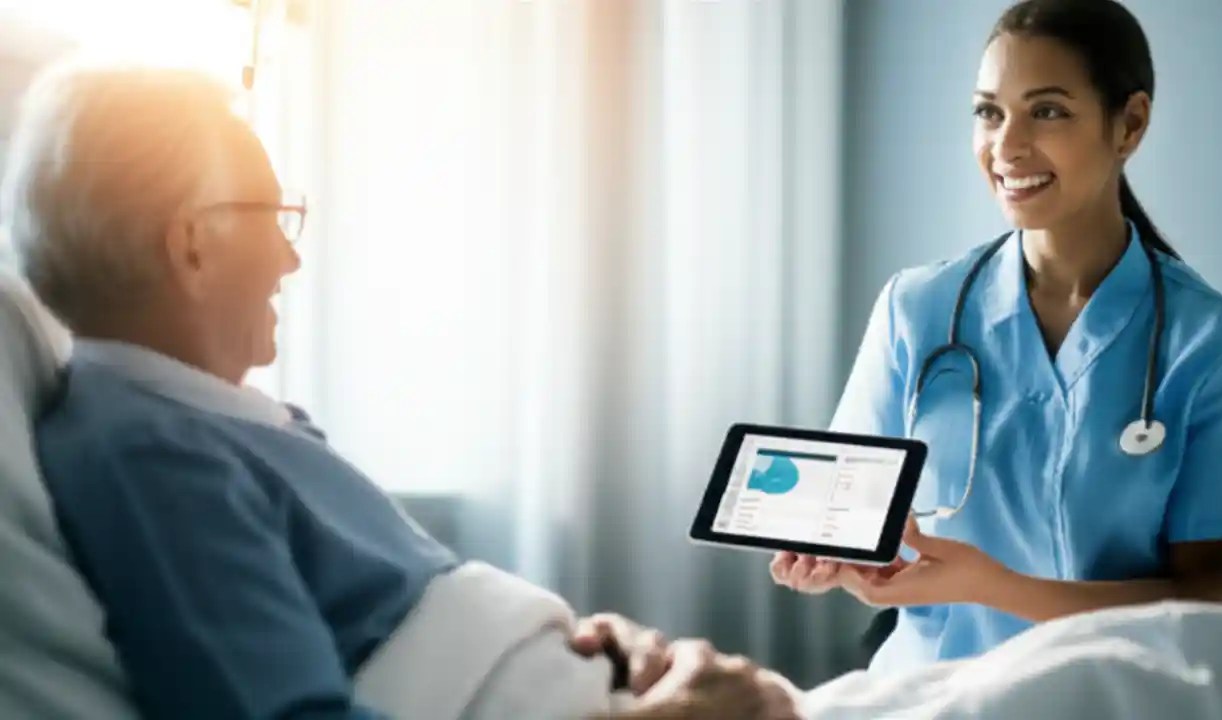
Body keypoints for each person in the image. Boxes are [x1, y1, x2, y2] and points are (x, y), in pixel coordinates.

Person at [0, 60, 799, 720]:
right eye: (274, 217)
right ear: (192, 246)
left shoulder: (200, 420)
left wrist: (590, 651)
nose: (291, 259)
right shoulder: (153, 456)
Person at [771, 0, 1222, 676]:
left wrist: (987, 585)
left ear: (1128, 124)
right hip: (928, 692)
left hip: (1115, 699)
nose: (1006, 146)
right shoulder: (915, 310)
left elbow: (1208, 602)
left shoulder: (1216, 349)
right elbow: (855, 517)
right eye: (988, 112)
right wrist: (836, 559)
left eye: (1046, 111)